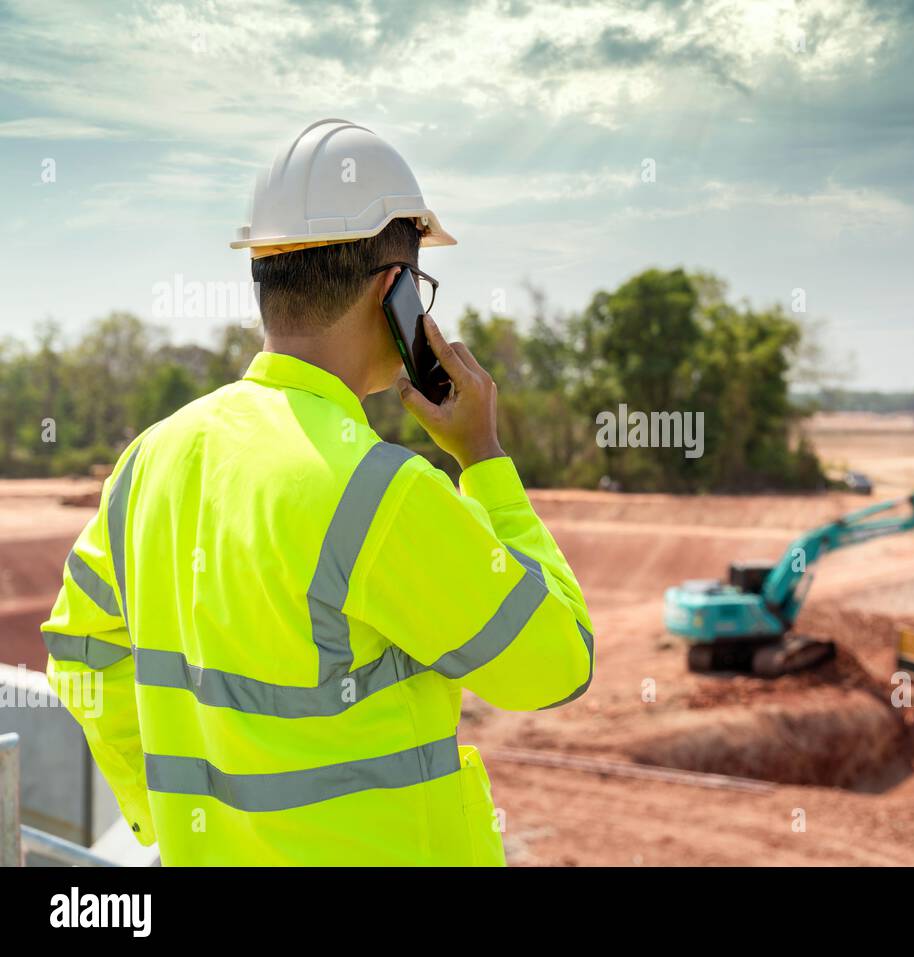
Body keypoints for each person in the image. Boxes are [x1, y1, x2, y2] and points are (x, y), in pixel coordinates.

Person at [41, 120, 594, 865]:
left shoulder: (150, 458)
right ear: (395, 290)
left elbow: (79, 652)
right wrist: (484, 459)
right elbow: (556, 664)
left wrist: (166, 813)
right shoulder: (383, 491)